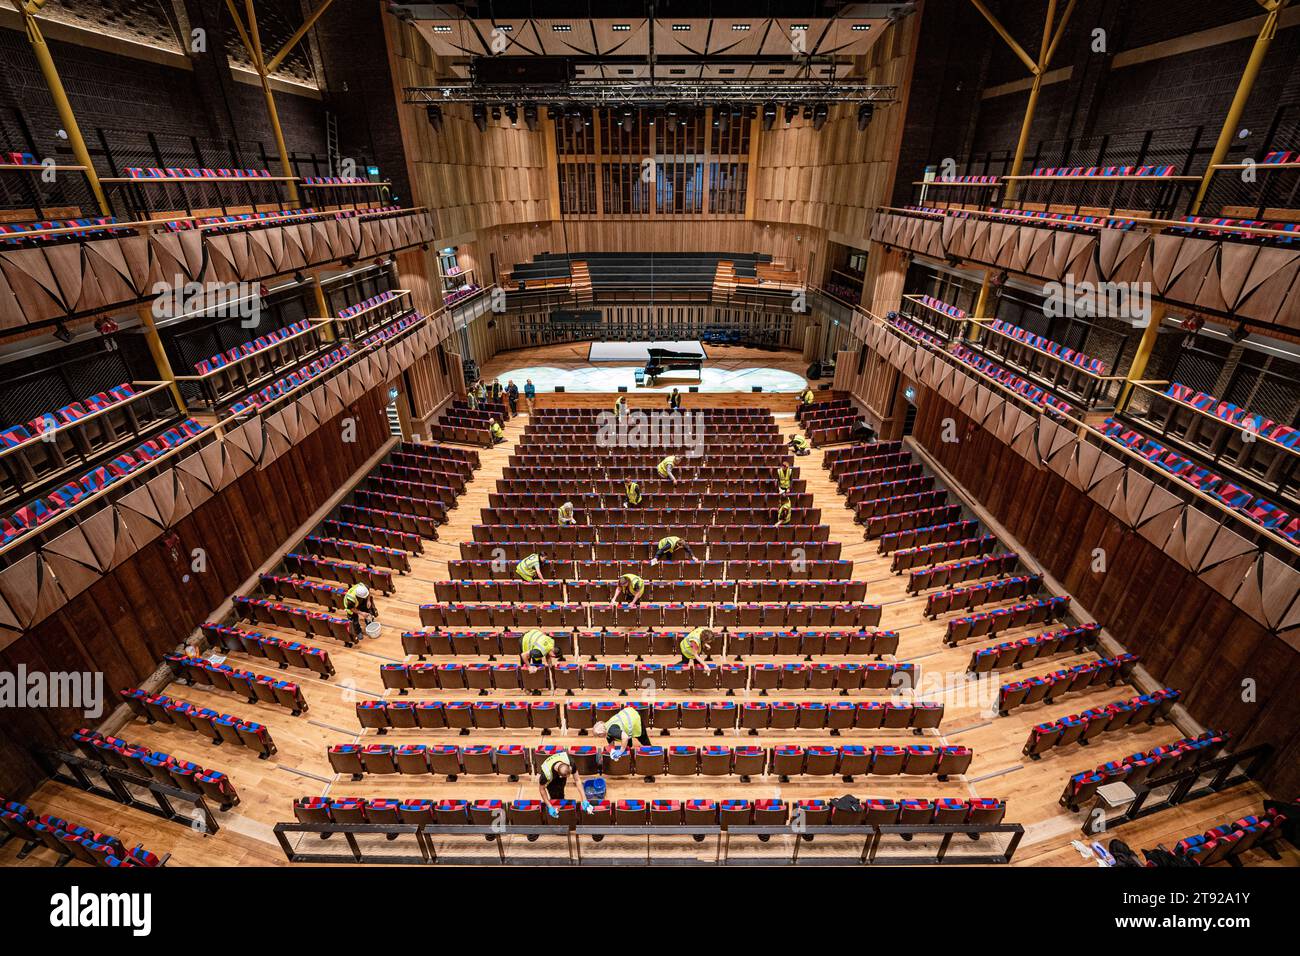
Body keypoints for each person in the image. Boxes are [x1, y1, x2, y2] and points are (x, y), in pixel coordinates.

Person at [536, 750, 591, 817]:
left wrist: (584, 799)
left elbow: (577, 780)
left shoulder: (569, 761)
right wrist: (549, 806)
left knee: (561, 791)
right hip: (551, 780)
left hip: (559, 773)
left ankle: (561, 799)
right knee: (555, 795)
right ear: (560, 776)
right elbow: (542, 789)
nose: (569, 777)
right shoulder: (546, 775)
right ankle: (556, 805)